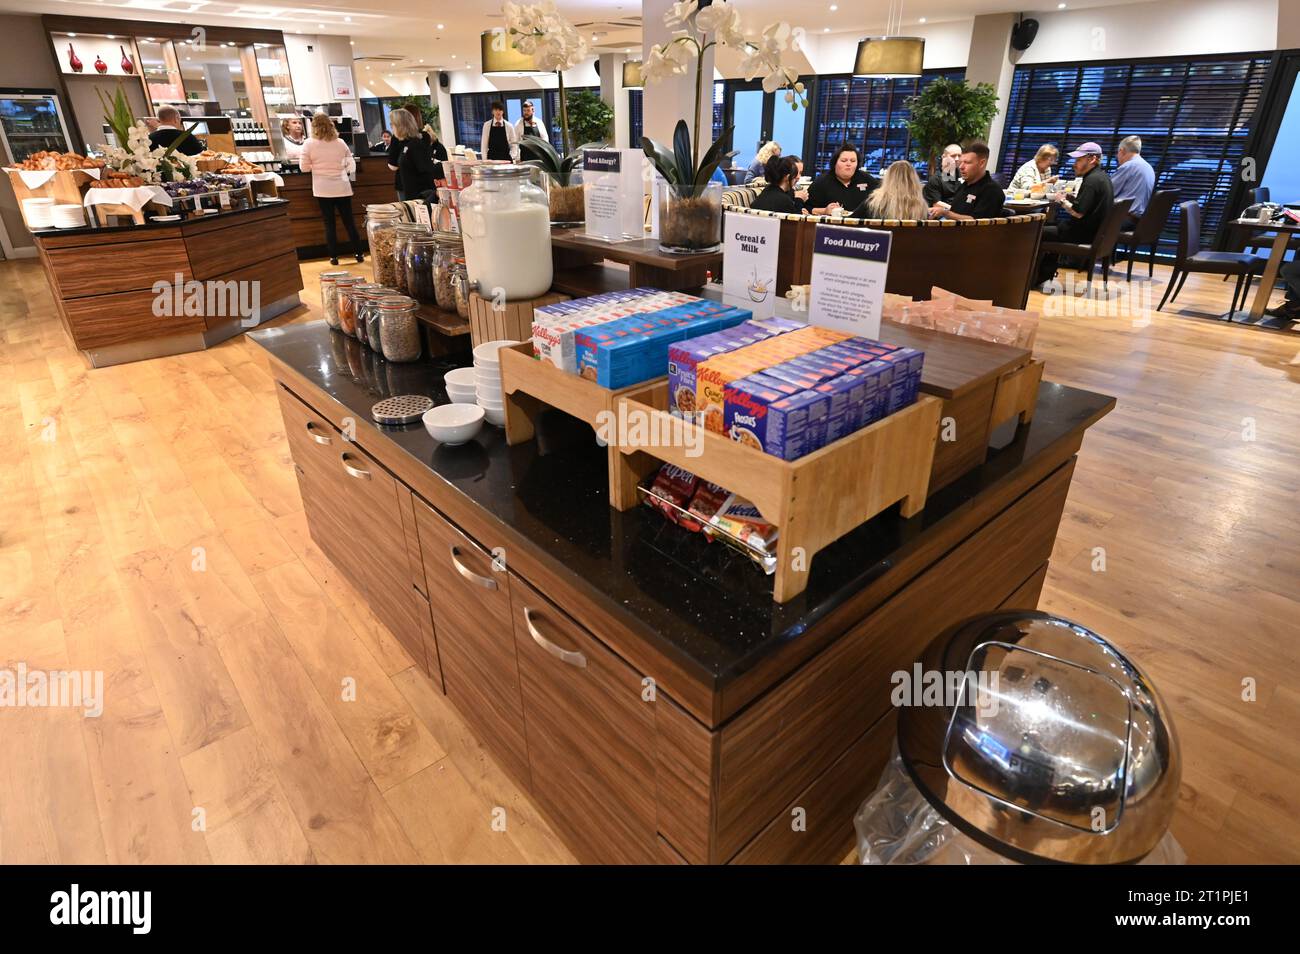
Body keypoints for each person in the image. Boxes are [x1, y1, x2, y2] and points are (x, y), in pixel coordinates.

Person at [1035, 141, 1116, 285]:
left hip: (1082, 234)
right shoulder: (1102, 177)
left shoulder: (1091, 181)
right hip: (1093, 233)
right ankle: (1043, 275)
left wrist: (1061, 200)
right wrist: (1072, 199)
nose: (1075, 164)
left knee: (1035, 231)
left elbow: (1078, 213)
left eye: (1079, 160)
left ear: (1092, 159)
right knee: (1048, 225)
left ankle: (1035, 277)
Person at [299, 112, 363, 266]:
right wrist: (349, 181)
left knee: (329, 224)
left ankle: (334, 257)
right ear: (331, 125)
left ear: (313, 126)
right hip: (342, 187)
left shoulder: (308, 144)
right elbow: (351, 166)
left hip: (322, 188)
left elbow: (304, 168)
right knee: (349, 222)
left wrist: (317, 167)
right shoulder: (340, 142)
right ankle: (359, 253)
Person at [929, 141, 1003, 221]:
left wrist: (945, 213)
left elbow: (977, 222)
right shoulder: (964, 185)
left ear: (982, 163)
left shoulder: (991, 190)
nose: (961, 167)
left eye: (967, 163)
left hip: (972, 232)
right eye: (960, 162)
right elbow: (955, 212)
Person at [806, 144, 878, 215]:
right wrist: (824, 211)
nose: (848, 164)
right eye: (844, 161)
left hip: (861, 224)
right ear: (835, 163)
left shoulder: (866, 179)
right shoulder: (821, 182)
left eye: (853, 161)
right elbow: (806, 207)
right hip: (831, 225)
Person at [389, 108, 436, 201]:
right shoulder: (406, 145)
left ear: (400, 125)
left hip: (418, 198)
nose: (391, 128)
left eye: (392, 124)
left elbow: (426, 173)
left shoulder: (415, 145)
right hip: (410, 196)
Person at [863, 160, 929, 219]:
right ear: (914, 180)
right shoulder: (923, 208)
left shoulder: (873, 203)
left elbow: (853, 221)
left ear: (888, 179)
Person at [1111, 135, 1155, 220]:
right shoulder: (1149, 167)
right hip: (1139, 220)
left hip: (1122, 219)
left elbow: (1108, 193)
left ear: (1121, 151)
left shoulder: (1128, 166)